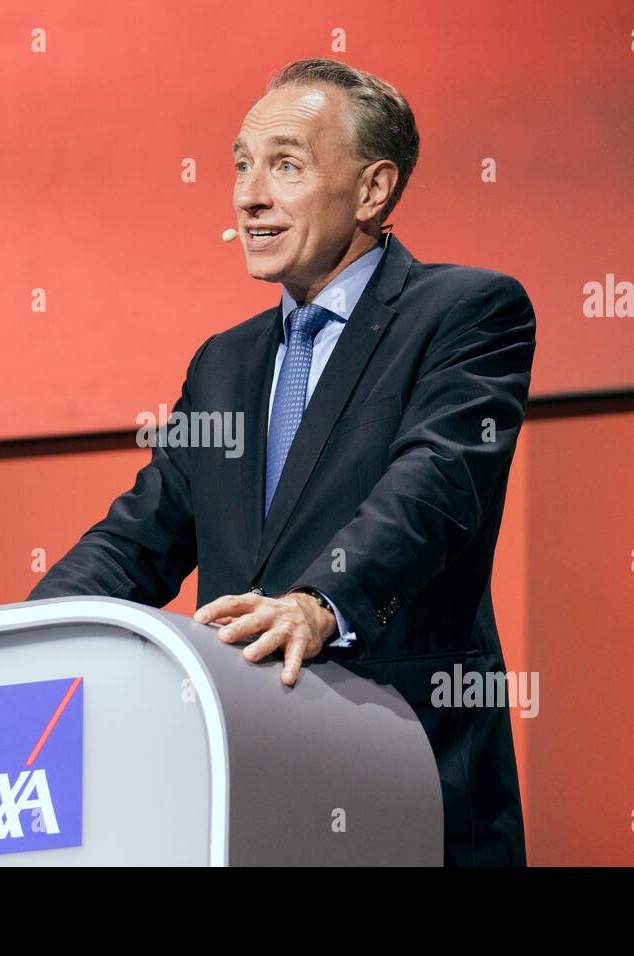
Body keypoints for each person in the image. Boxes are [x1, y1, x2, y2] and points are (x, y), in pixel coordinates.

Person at [28, 57, 534, 866]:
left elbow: (436, 485)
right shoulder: (224, 363)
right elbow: (140, 537)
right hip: (243, 788)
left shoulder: (466, 311)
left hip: (405, 772)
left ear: (373, 191)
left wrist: (319, 603)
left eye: (286, 165)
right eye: (241, 164)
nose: (249, 195)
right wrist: (18, 641)